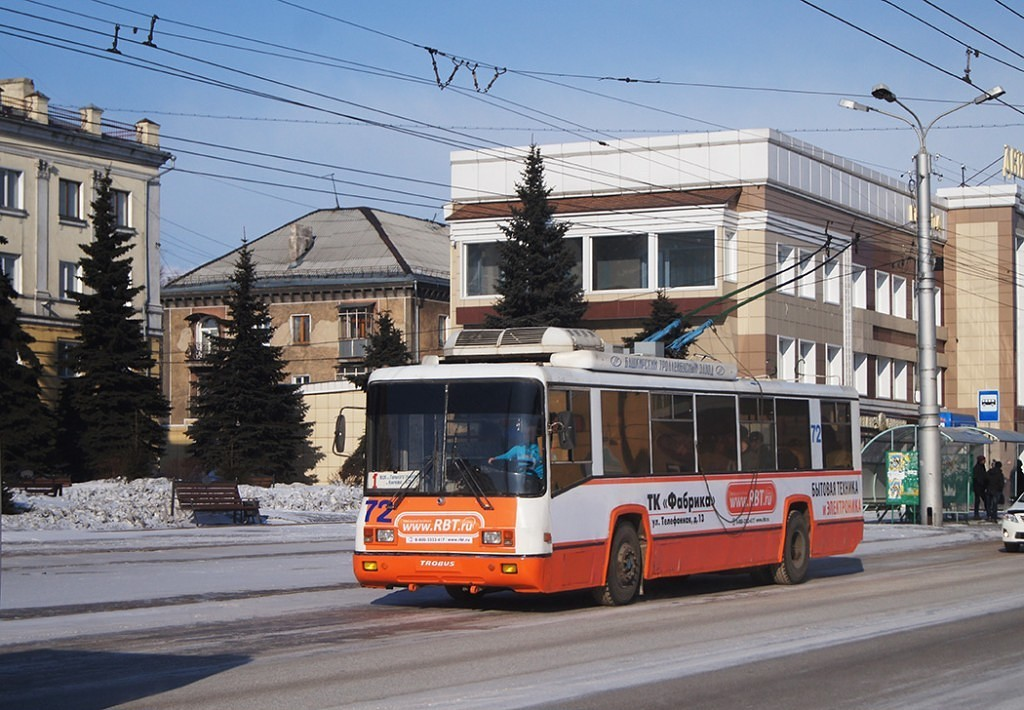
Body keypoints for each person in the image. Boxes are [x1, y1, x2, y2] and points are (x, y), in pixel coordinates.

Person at [972, 454, 987, 520]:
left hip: (980, 487)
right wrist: (982, 483)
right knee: (979, 500)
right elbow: (978, 477)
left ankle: (978, 514)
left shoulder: (981, 467)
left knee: (981, 500)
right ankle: (976, 514)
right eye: (984, 460)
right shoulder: (978, 467)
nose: (984, 461)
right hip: (979, 487)